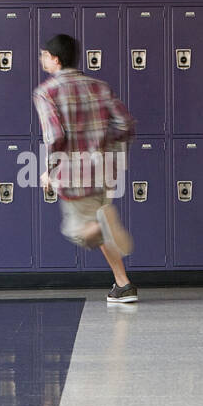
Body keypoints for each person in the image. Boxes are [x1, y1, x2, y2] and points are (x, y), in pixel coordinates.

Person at [33, 33, 138, 303]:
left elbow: (54, 136)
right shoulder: (99, 87)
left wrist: (48, 171)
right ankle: (123, 284)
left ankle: (101, 227)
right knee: (96, 222)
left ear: (54, 59)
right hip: (104, 172)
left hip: (73, 176)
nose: (41, 59)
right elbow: (125, 124)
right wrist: (102, 146)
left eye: (43, 54)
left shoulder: (47, 92)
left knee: (78, 231)